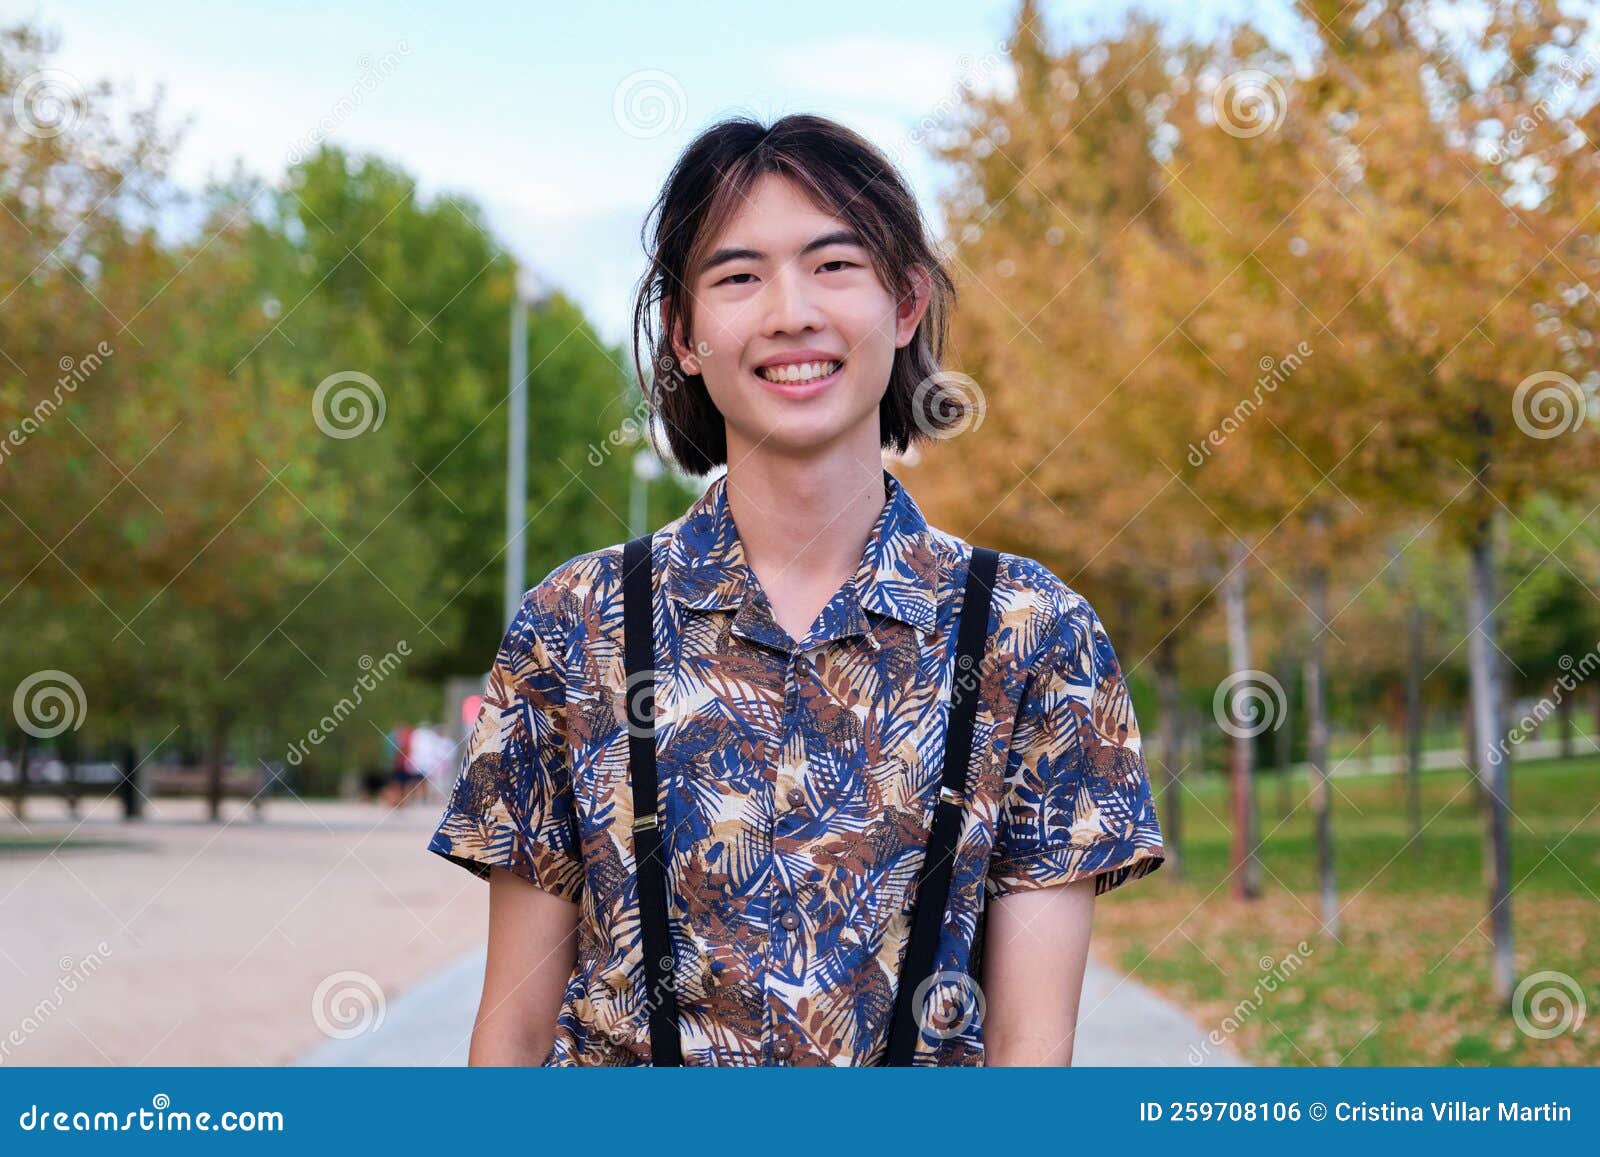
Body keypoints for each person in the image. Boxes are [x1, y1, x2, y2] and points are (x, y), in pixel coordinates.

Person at [426, 114, 1165, 1067]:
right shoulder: (573, 627)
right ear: (685, 334)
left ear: (905, 305)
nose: (790, 313)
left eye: (833, 265)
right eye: (739, 276)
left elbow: (1033, 1051)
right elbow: (514, 1027)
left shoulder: (1034, 634)